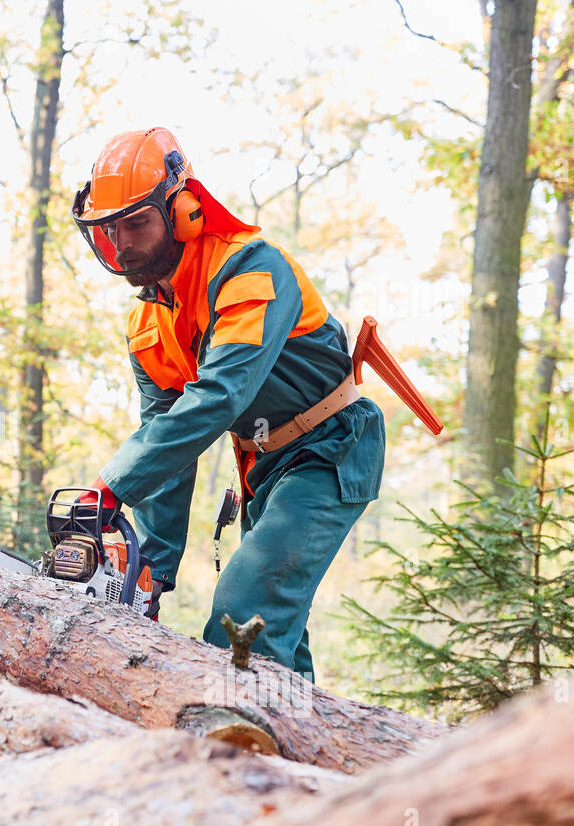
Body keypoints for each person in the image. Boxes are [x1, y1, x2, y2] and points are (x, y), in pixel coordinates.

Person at [70, 127, 385, 682]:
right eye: (109, 229)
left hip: (330, 449)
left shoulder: (251, 269)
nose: (122, 245)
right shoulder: (147, 322)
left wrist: (113, 486)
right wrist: (151, 571)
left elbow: (221, 395)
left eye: (137, 223)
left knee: (245, 607)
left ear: (184, 209)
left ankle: (227, 750)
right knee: (276, 627)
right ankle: (301, 751)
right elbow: (167, 441)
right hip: (262, 465)